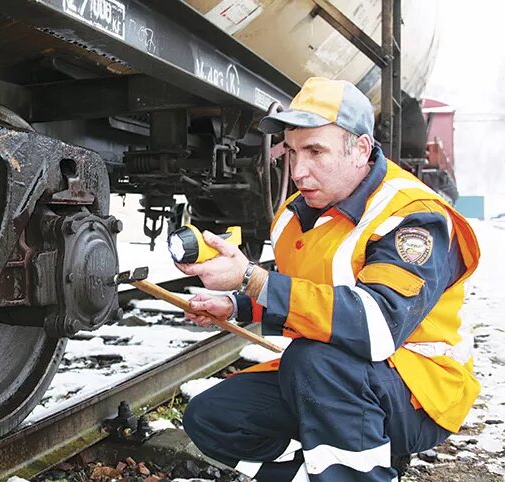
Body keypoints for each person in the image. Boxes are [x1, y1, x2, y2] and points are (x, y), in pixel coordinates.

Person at [175, 77, 480, 481]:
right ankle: (327, 468)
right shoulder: (296, 213)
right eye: (293, 151)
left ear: (361, 149)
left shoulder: (412, 215)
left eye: (316, 151)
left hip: (419, 391)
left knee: (313, 358)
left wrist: (250, 278)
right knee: (212, 417)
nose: (299, 170)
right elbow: (311, 290)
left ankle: (361, 466)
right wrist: (236, 304)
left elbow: (375, 325)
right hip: (332, 379)